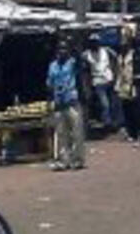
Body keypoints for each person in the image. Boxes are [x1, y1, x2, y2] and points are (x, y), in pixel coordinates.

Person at [46, 40, 85, 171]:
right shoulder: (53, 66)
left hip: (72, 101)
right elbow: (49, 85)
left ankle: (77, 159)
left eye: (65, 49)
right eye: (60, 49)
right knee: (61, 134)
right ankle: (63, 160)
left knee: (76, 132)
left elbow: (81, 65)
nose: (62, 51)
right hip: (58, 103)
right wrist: (49, 102)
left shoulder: (72, 63)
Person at [83, 35, 121, 133]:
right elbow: (85, 68)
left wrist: (115, 73)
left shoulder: (106, 51)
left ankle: (115, 123)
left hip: (109, 79)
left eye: (96, 42)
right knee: (105, 104)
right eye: (92, 42)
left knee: (113, 104)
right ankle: (107, 123)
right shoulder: (87, 54)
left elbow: (116, 58)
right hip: (98, 82)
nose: (94, 44)